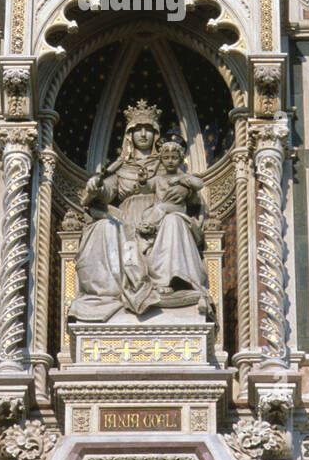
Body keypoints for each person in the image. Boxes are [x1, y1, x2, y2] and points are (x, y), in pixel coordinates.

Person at [69, 101, 163, 321]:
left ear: (156, 134)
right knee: (103, 227)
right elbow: (107, 191)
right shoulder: (121, 168)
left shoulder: (166, 164)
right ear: (129, 135)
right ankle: (106, 293)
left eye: (148, 129)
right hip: (126, 219)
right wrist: (97, 187)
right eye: (137, 129)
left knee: (175, 222)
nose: (143, 134)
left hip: (158, 217)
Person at [139, 135, 211, 310]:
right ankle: (162, 278)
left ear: (180, 159)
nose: (170, 161)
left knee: (172, 219)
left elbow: (199, 184)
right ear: (161, 159)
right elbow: (145, 187)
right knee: (163, 215)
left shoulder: (184, 179)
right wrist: (142, 180)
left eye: (173, 157)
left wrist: (181, 180)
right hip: (161, 220)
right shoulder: (158, 179)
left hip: (178, 216)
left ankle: (180, 276)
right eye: (166, 157)